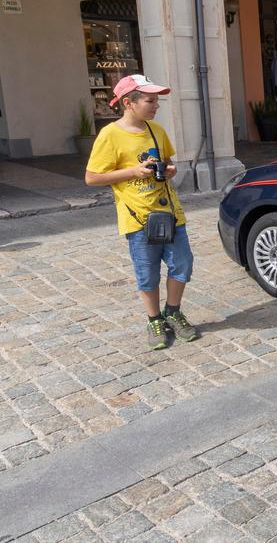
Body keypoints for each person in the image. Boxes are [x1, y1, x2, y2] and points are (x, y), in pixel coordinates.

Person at [85, 75, 199, 351]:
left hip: (170, 214)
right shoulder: (110, 135)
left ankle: (173, 312)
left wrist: (169, 169)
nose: (156, 105)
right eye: (150, 100)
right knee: (147, 274)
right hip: (138, 219)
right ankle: (154, 319)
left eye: (156, 100)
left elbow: (169, 163)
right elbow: (92, 177)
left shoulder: (156, 131)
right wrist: (133, 172)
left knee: (182, 265)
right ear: (128, 102)